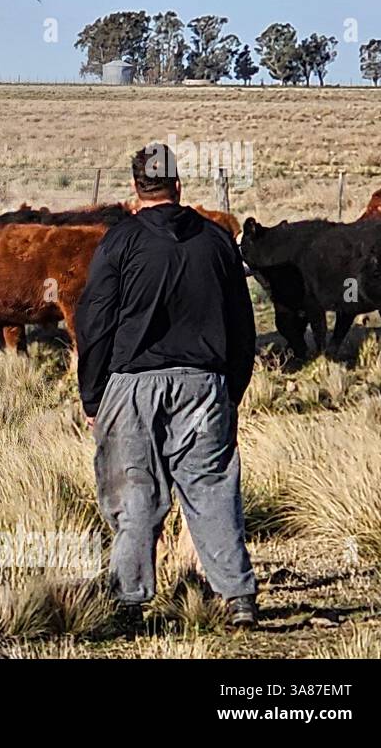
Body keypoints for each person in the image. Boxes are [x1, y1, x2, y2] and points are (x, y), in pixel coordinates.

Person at [76, 143, 258, 629]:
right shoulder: (217, 242)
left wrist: (92, 394)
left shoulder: (120, 241)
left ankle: (130, 601)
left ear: (136, 189)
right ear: (178, 185)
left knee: (134, 492)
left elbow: (94, 321)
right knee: (212, 487)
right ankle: (238, 597)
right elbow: (243, 324)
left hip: (132, 387)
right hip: (204, 384)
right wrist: (229, 389)